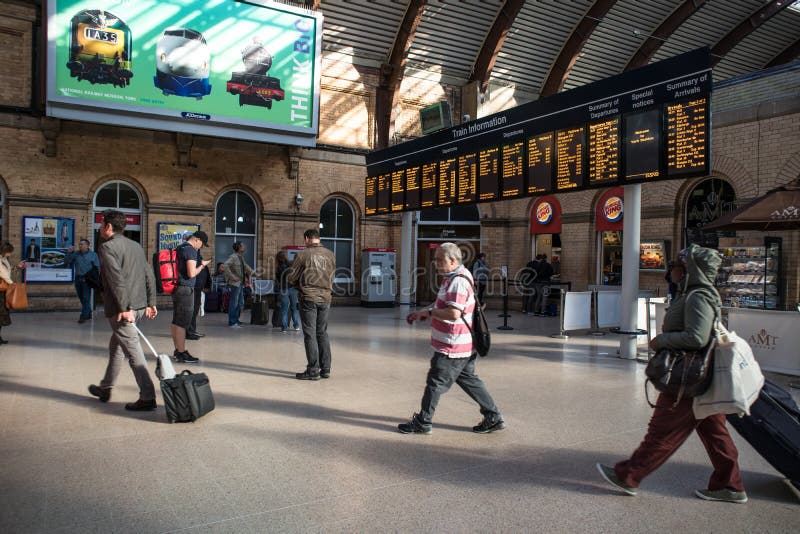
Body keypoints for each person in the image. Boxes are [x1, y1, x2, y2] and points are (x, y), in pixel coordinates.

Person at [596, 244, 747, 504]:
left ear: (691, 270)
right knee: (714, 431)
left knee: (663, 429)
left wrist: (662, 340)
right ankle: (730, 485)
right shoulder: (693, 293)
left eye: (677, 266)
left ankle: (629, 475)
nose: (672, 271)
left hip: (688, 378)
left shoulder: (698, 296)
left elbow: (697, 337)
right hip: (699, 377)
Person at [399, 242, 504, 435]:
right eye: (435, 260)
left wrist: (430, 312)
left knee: (435, 382)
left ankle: (423, 422)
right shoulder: (451, 278)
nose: (436, 264)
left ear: (453, 260)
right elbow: (442, 304)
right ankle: (493, 416)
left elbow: (454, 313)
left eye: (440, 260)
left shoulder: (458, 281)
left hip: (453, 346)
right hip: (460, 344)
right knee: (470, 381)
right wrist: (425, 311)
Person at [87, 210, 159, 411]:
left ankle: (147, 397)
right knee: (116, 348)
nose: (100, 228)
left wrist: (124, 307)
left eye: (102, 225)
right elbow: (149, 274)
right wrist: (151, 302)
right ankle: (105, 387)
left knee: (133, 351)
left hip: (123, 309)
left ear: (108, 227)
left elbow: (115, 279)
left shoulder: (107, 247)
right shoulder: (135, 245)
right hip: (138, 306)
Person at [288, 228, 336, 380]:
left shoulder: (303, 254)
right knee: (322, 333)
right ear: (318, 238)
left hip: (308, 297)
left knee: (310, 334)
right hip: (326, 297)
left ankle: (313, 370)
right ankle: (326, 368)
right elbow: (331, 276)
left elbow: (291, 277)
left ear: (307, 238)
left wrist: (298, 285)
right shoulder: (330, 254)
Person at [171, 231, 211, 362]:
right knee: (183, 322)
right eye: (202, 244)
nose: (201, 247)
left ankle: (177, 350)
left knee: (176, 321)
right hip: (186, 289)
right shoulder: (190, 250)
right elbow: (192, 273)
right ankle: (182, 352)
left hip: (177, 287)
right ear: (196, 240)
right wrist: (202, 265)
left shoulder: (180, 247)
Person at [65, 239, 101, 323]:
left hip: (87, 280)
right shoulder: (76, 254)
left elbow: (98, 267)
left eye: (82, 244)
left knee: (86, 297)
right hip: (78, 278)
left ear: (87, 246)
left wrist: (95, 278)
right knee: (81, 297)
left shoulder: (93, 255)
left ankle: (83, 316)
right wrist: (69, 253)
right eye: (79, 244)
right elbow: (67, 261)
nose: (80, 246)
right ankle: (88, 312)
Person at [223, 241, 254, 327]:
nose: (244, 247)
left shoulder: (241, 257)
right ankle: (232, 321)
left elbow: (246, 266)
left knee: (240, 302)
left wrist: (254, 273)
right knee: (234, 302)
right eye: (243, 246)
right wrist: (232, 277)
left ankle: (236, 319)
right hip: (235, 283)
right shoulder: (233, 257)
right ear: (239, 248)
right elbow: (225, 266)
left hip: (241, 283)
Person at [0, 242, 25, 344]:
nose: (10, 254)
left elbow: (8, 272)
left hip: (4, 290)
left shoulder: (4, 260)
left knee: (2, 314)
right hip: (1, 291)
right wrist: (12, 284)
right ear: (4, 251)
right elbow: (4, 275)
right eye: (9, 252)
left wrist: (18, 267)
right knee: (1, 313)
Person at [187, 251, 211, 340]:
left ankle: (192, 330)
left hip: (198, 290)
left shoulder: (201, 265)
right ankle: (190, 331)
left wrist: (207, 286)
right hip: (194, 290)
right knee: (192, 312)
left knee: (194, 311)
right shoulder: (197, 265)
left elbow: (207, 276)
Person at [275, 250, 300, 333]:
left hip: (283, 289)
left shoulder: (278, 268)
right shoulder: (291, 265)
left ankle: (284, 327)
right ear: (285, 257)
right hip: (293, 289)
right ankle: (296, 326)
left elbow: (278, 280)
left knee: (284, 309)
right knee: (294, 308)